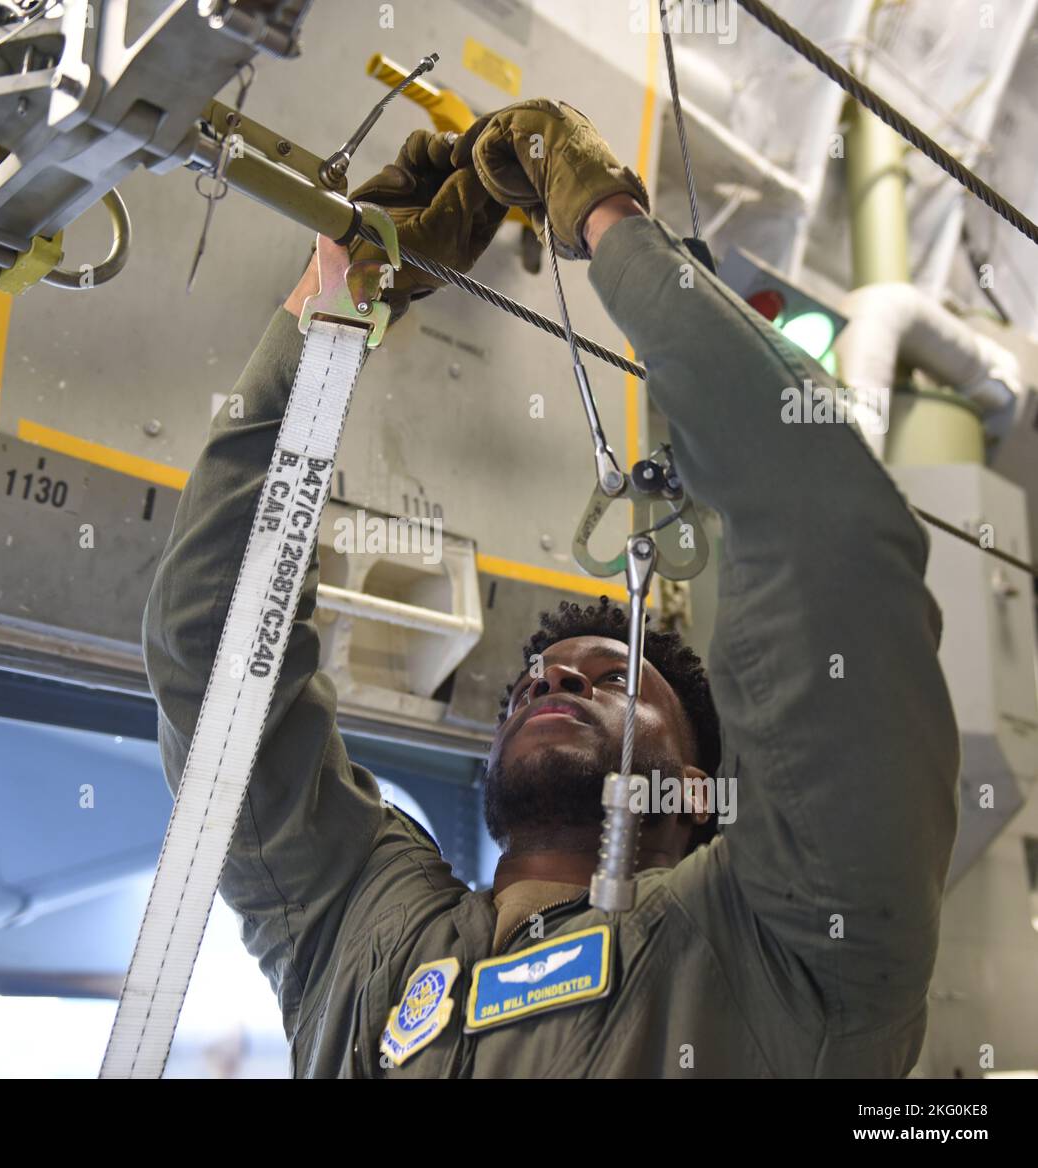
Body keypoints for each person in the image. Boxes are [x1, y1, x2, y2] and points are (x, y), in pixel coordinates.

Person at [143, 99, 959, 1077]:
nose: (548, 682)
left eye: (613, 678)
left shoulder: (791, 950)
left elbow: (826, 535)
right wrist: (335, 307)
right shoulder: (363, 939)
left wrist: (610, 222)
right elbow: (213, 655)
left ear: (698, 788)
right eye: (534, 681)